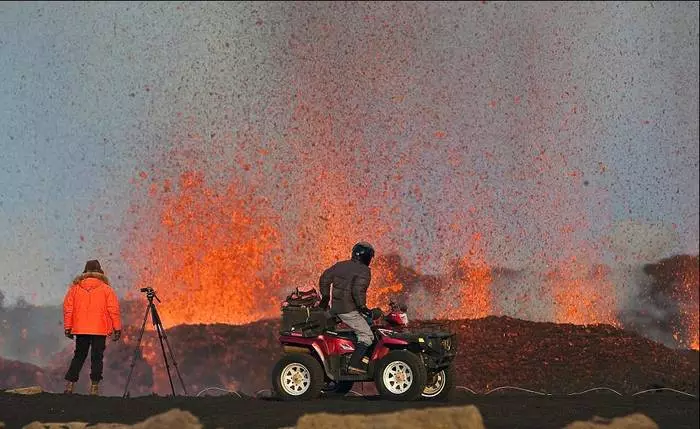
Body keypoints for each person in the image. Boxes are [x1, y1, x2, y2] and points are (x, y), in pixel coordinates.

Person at [63, 259, 122, 395]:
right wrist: (117, 328)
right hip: (99, 329)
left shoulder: (75, 289)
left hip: (81, 329)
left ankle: (70, 386)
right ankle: (94, 388)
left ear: (85, 271)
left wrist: (68, 327)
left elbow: (68, 309)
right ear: (99, 271)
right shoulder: (107, 289)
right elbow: (113, 310)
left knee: (79, 356)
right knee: (97, 357)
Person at [319, 242, 375, 375]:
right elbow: (357, 290)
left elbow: (324, 279)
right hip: (348, 310)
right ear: (366, 257)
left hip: (335, 308)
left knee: (361, 326)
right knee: (367, 335)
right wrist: (363, 307)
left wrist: (325, 297)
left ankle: (354, 354)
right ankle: (354, 364)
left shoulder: (340, 265)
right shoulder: (364, 271)